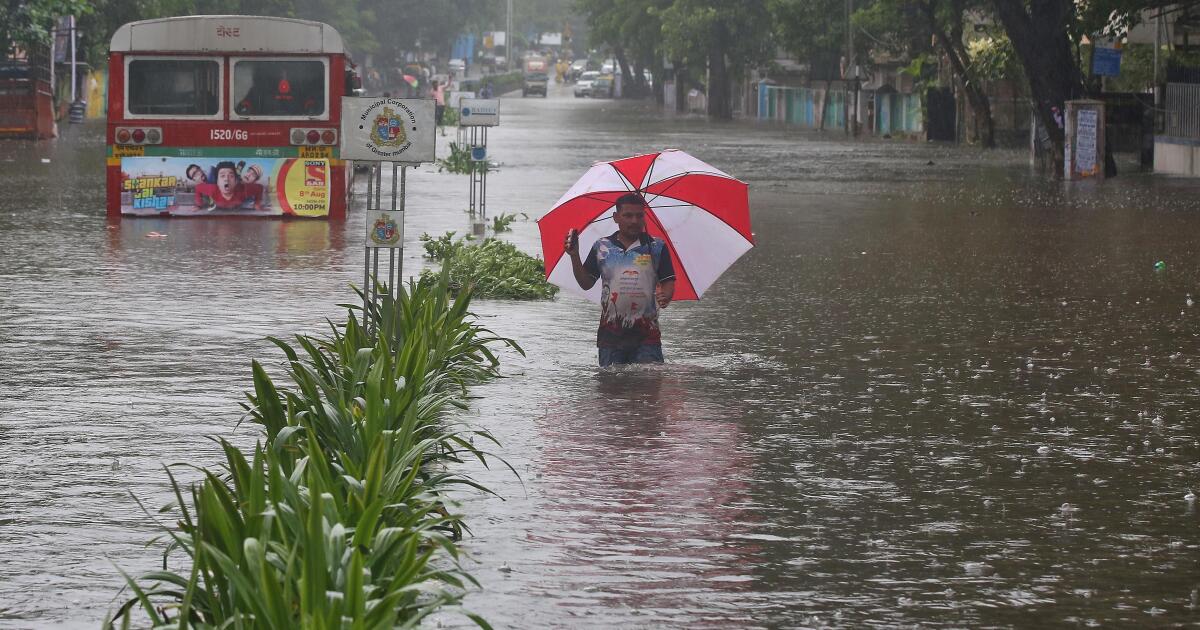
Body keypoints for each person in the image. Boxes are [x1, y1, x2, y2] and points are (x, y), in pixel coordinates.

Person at [565, 192, 676, 367]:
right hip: (610, 335)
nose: (634, 221)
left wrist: (666, 295)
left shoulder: (656, 247)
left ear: (644, 217)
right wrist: (574, 255)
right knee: (611, 388)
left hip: (647, 335)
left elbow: (669, 279)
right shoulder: (602, 247)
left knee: (648, 388)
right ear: (616, 217)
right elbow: (586, 283)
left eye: (639, 215)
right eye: (628, 215)